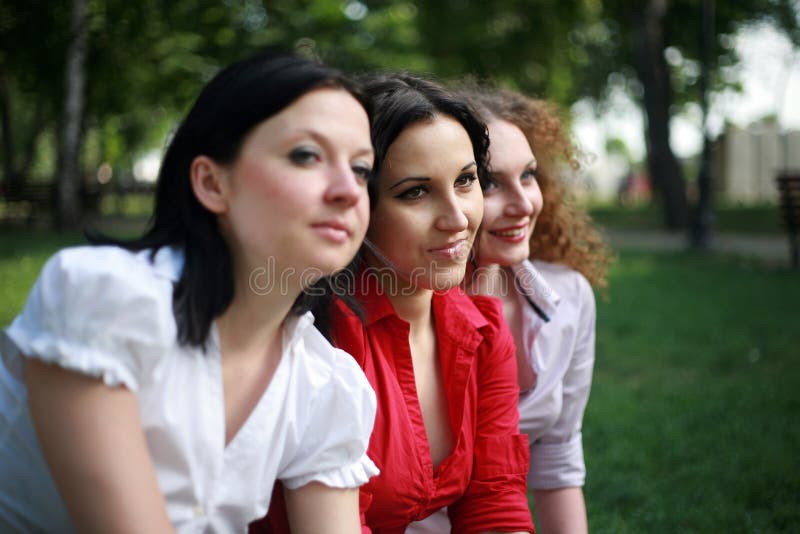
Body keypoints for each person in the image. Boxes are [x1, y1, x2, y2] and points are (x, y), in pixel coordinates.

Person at [0, 51, 380, 533]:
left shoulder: (325, 383)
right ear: (211, 182)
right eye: (306, 155)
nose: (348, 189)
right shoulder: (106, 301)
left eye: (363, 169)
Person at [258, 74, 534, 533]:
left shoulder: (483, 329)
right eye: (415, 192)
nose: (456, 218)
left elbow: (494, 499)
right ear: (358, 207)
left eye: (466, 181)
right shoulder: (321, 340)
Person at [411, 86, 612, 533]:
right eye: (488, 182)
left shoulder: (568, 297)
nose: (523, 204)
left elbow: (556, 456)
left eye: (529, 175)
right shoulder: (406, 311)